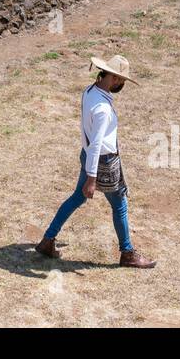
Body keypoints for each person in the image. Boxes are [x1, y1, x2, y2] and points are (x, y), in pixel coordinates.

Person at [35, 55, 157, 269]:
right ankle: (127, 253)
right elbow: (97, 145)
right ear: (116, 79)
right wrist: (92, 179)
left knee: (76, 198)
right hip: (103, 162)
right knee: (120, 206)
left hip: (89, 156)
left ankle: (48, 240)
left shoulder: (90, 91)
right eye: (123, 81)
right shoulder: (102, 109)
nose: (123, 85)